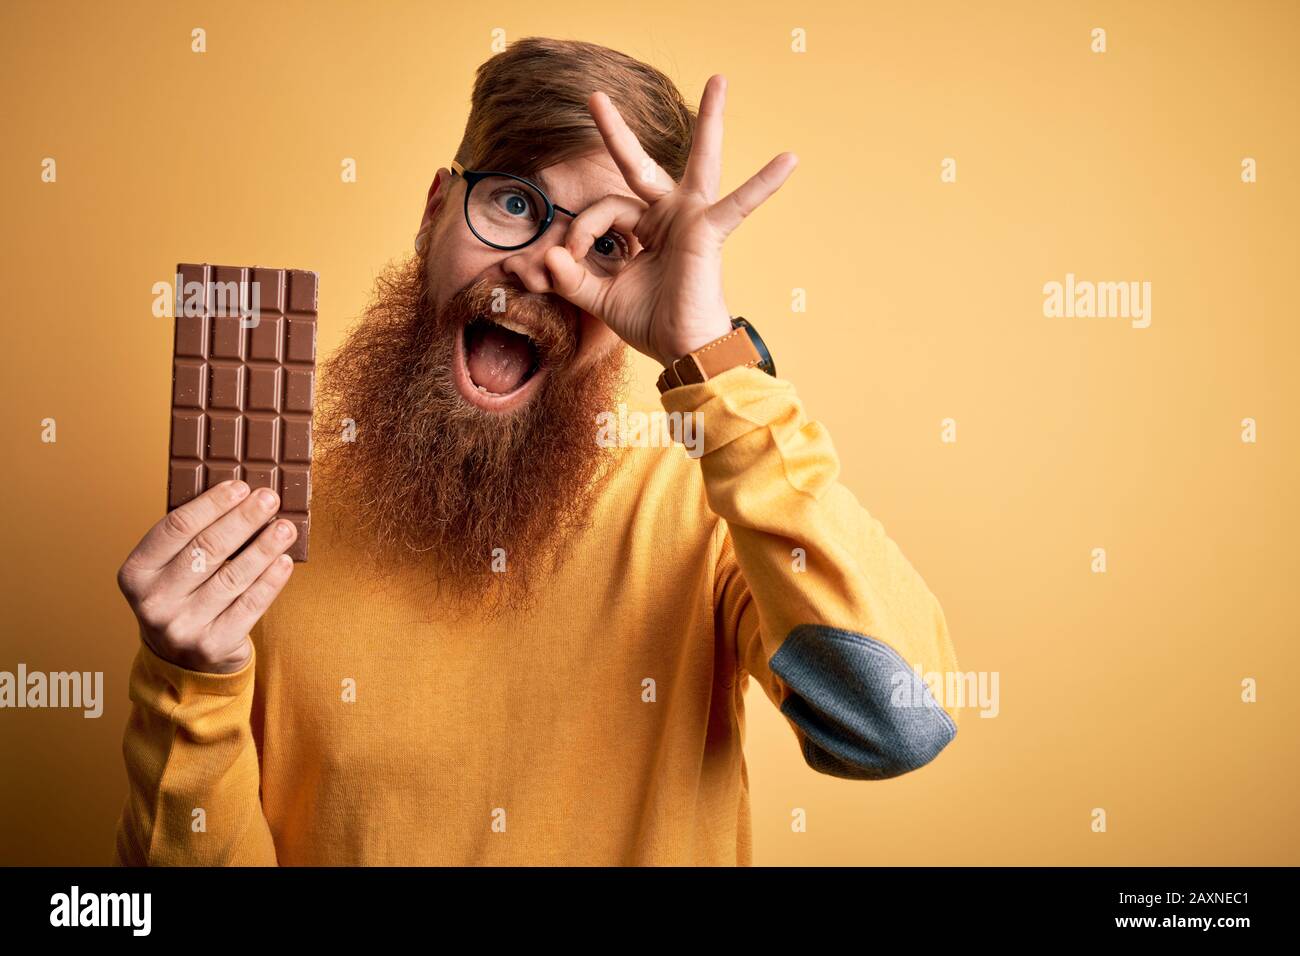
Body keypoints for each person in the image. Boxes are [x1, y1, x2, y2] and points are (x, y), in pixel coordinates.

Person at [113, 36, 959, 866]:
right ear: (434, 212)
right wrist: (191, 682)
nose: (540, 269)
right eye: (515, 204)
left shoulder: (713, 516)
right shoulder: (262, 535)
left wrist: (708, 348)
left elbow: (899, 724)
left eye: (608, 246)